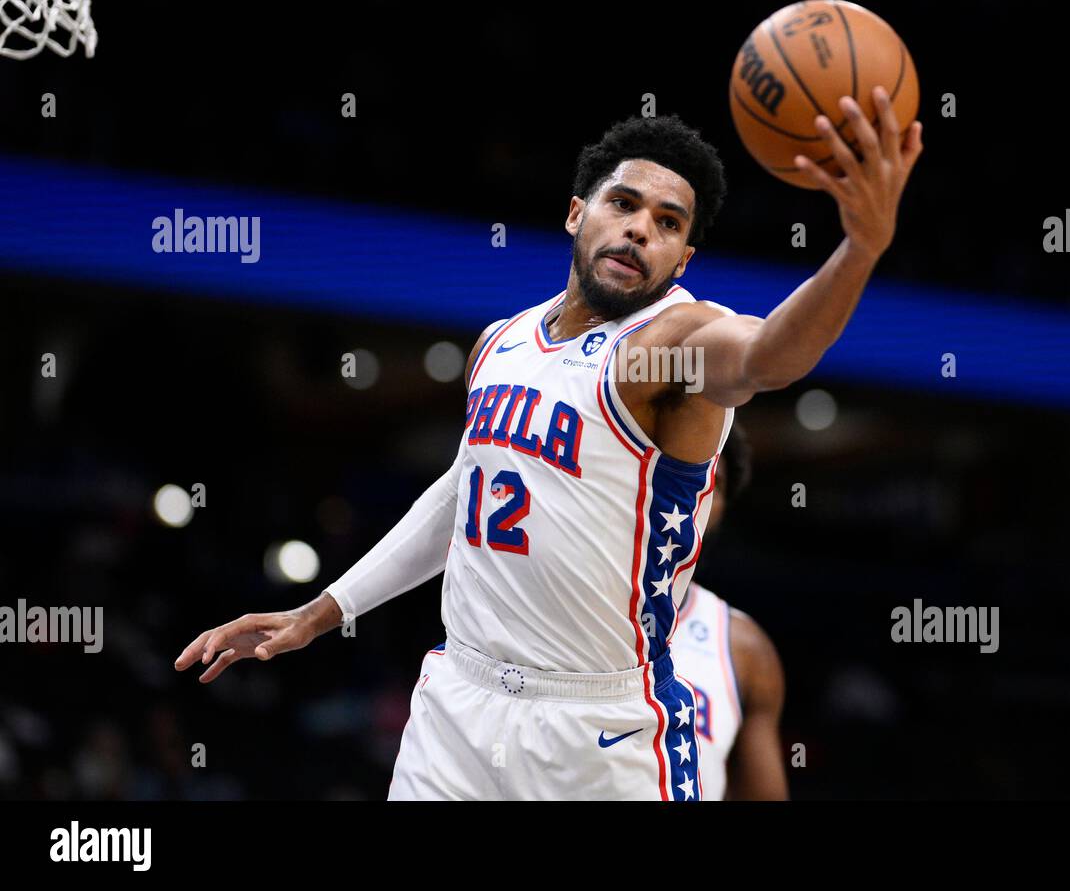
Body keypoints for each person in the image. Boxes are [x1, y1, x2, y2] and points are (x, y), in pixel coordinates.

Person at [175, 90, 924, 800]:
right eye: (623, 204)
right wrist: (322, 611)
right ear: (577, 213)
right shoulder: (500, 343)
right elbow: (462, 491)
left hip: (597, 728)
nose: (640, 230)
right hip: (458, 705)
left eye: (669, 223)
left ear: (683, 261)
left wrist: (860, 248)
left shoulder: (670, 345)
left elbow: (769, 356)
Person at [672, 423, 788, 800]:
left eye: (713, 479)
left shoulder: (743, 647)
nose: (696, 489)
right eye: (679, 467)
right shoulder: (551, 605)